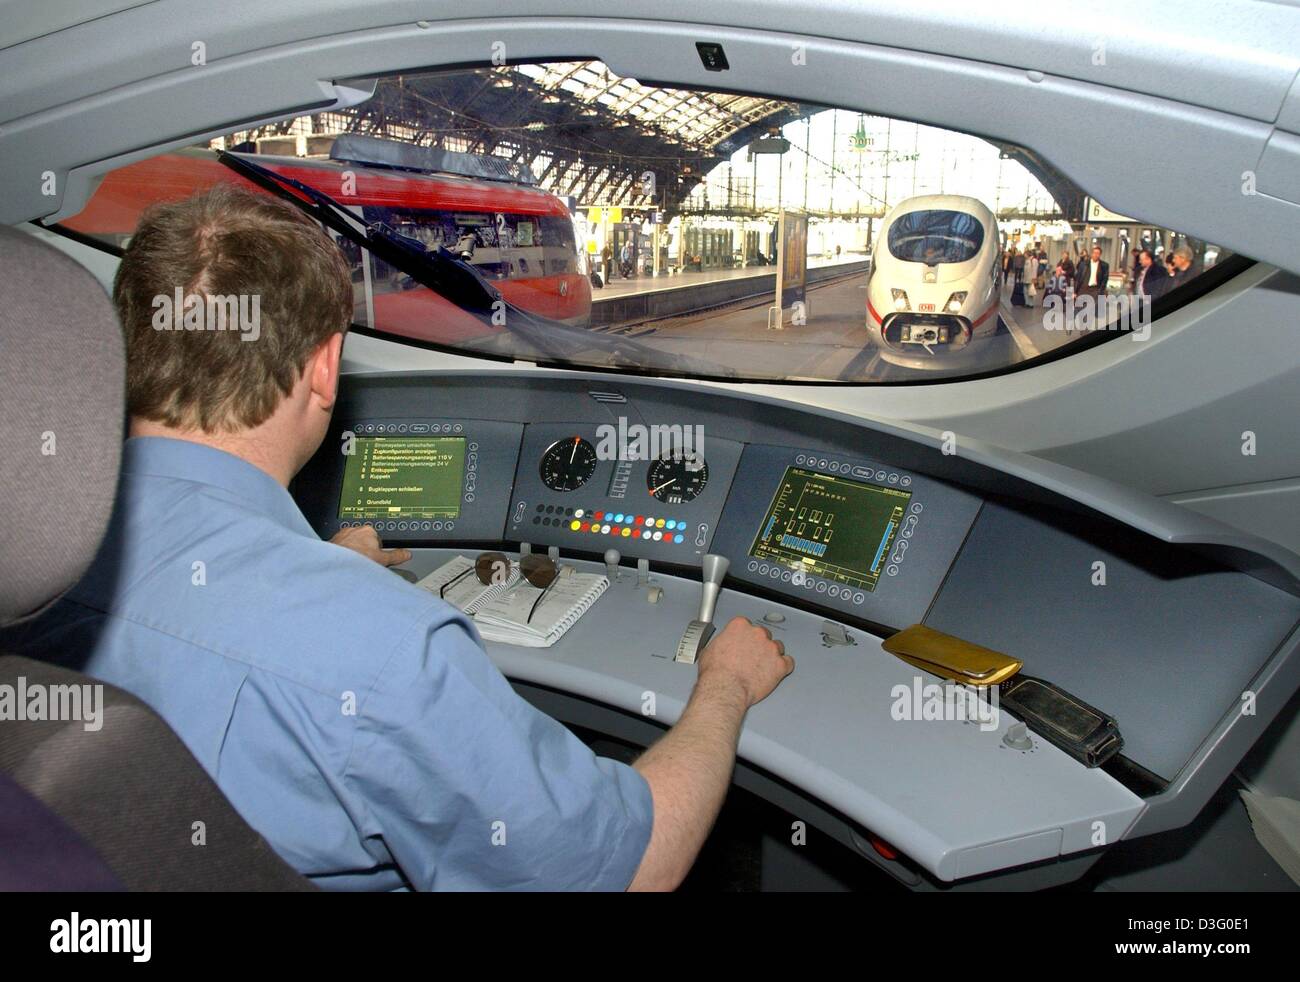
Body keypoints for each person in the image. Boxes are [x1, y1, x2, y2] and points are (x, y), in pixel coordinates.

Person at [0, 184, 793, 891]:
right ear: (324, 368)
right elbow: (631, 868)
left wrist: (316, 573)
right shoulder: (385, 654)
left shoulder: (28, 553)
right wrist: (725, 683)